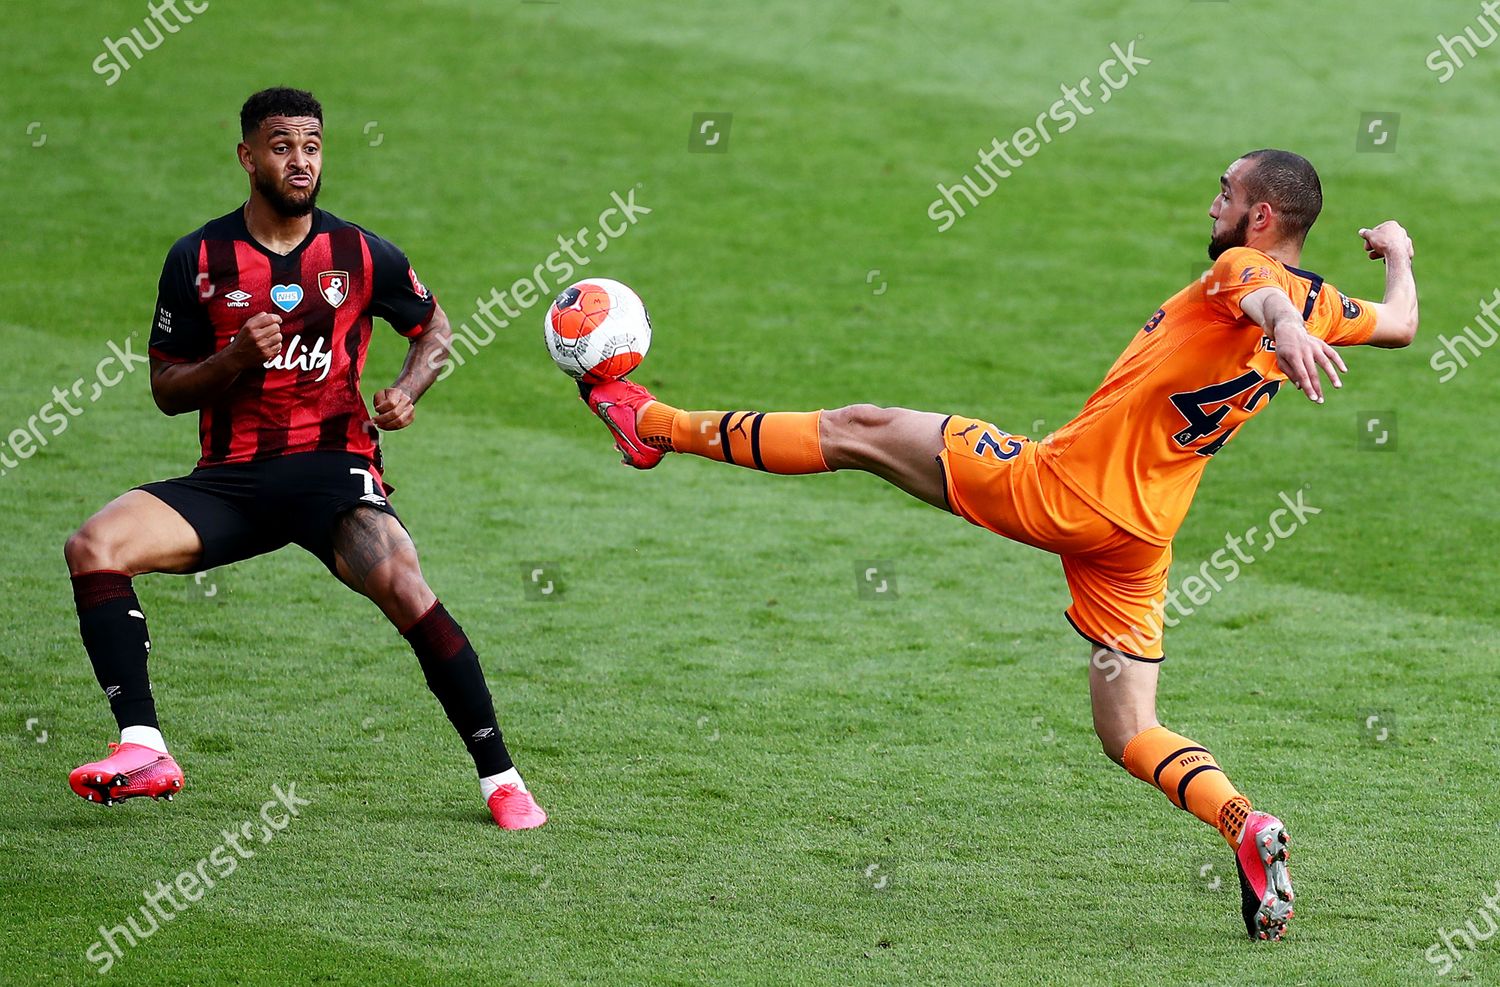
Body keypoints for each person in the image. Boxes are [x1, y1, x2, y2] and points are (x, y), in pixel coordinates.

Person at [577, 149, 1418, 937]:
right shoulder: (1322, 304)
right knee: (1129, 730)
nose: (1214, 204)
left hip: (1063, 488)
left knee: (859, 429)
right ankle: (1244, 819)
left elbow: (1258, 293)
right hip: (1140, 537)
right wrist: (1398, 255)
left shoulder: (1253, 276)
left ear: (1263, 217)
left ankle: (650, 425)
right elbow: (1403, 324)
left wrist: (1281, 318)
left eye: (1227, 194)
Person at [64, 87, 547, 830]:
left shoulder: (358, 252)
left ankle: (503, 779)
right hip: (230, 482)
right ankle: (144, 745)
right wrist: (230, 358)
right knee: (93, 545)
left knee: (402, 582)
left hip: (333, 473)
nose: (301, 161)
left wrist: (410, 388)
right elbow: (166, 388)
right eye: (283, 145)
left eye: (312, 146)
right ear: (248, 155)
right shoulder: (197, 258)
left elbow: (434, 327)